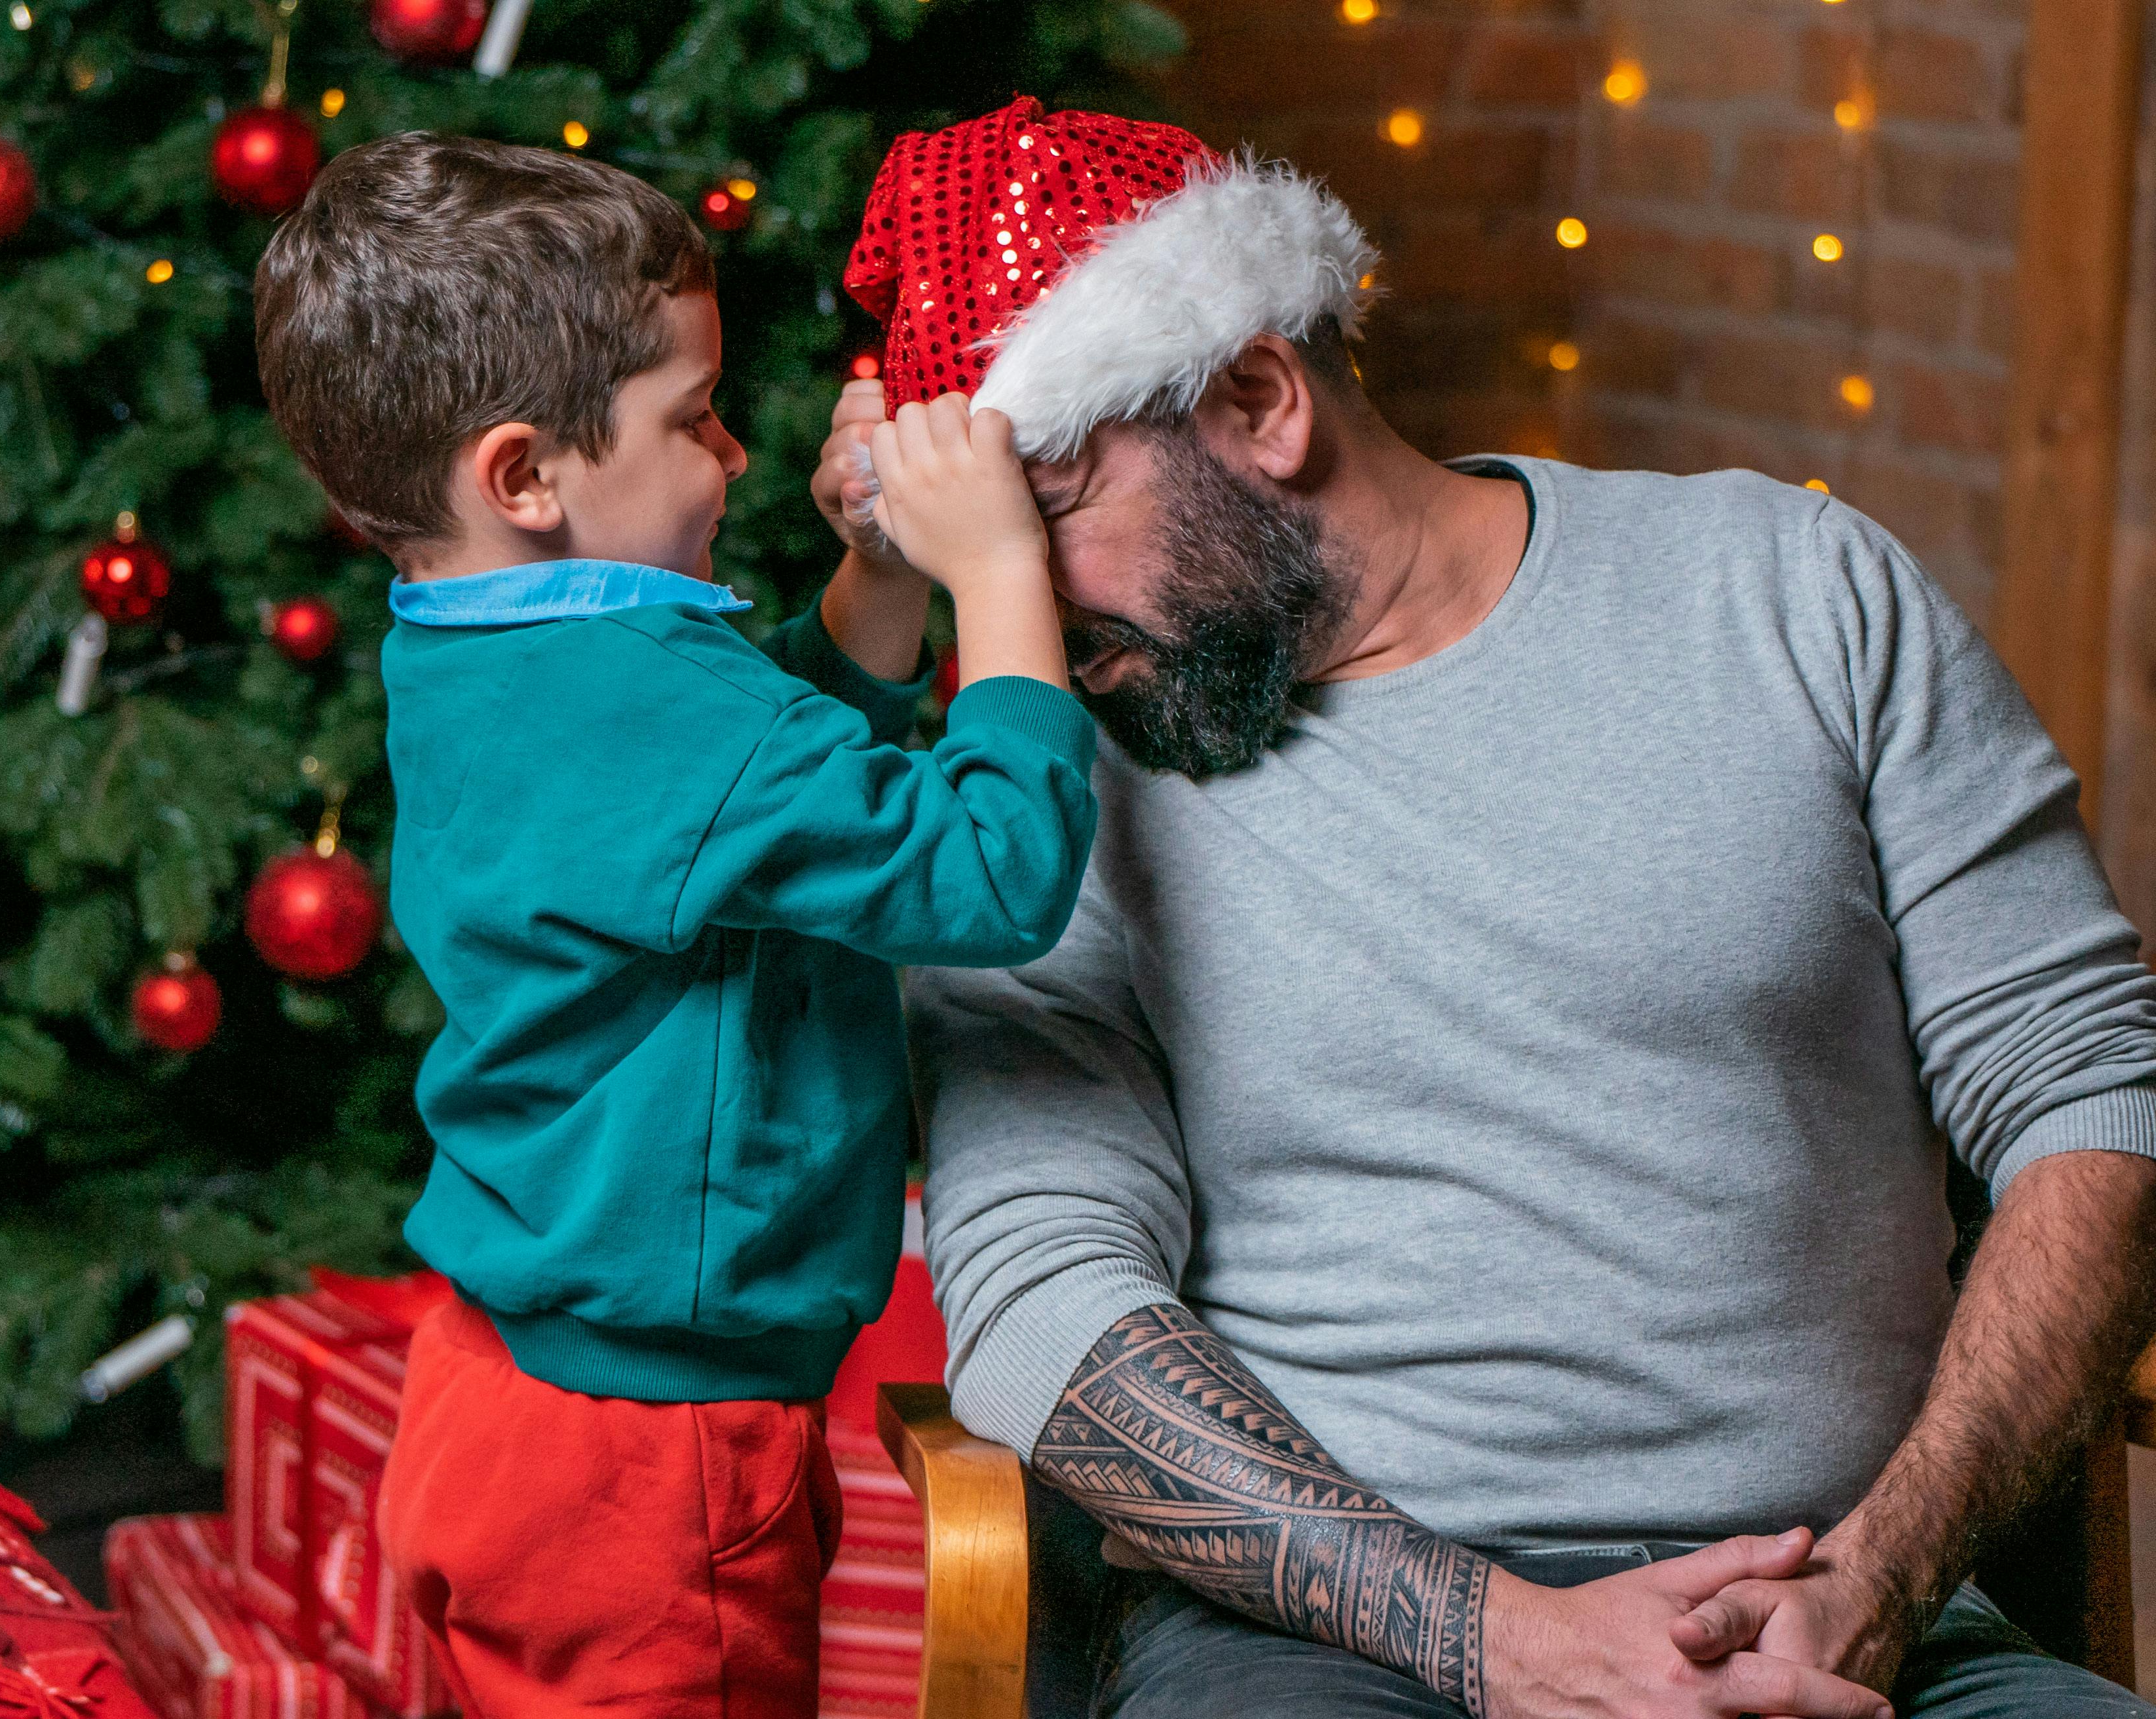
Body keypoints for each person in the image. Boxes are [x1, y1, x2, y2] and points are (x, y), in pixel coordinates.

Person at [873, 100, 2156, 1719]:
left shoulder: (1793, 592)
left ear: (1262, 400)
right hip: (1328, 1645)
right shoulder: (1041, 791)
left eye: (1044, 510)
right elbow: (1040, 1293)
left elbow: (2087, 1095)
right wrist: (1497, 1634)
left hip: (1848, 1612)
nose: (1019, 604)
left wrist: (1882, 1578)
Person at [251, 132, 1097, 1718]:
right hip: (650, 1463)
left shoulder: (493, 649)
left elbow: (751, 801)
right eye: (690, 417)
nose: (734, 455)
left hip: (504, 1393)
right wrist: (996, 573)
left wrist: (874, 572)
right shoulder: (654, 708)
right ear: (524, 475)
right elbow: (990, 870)